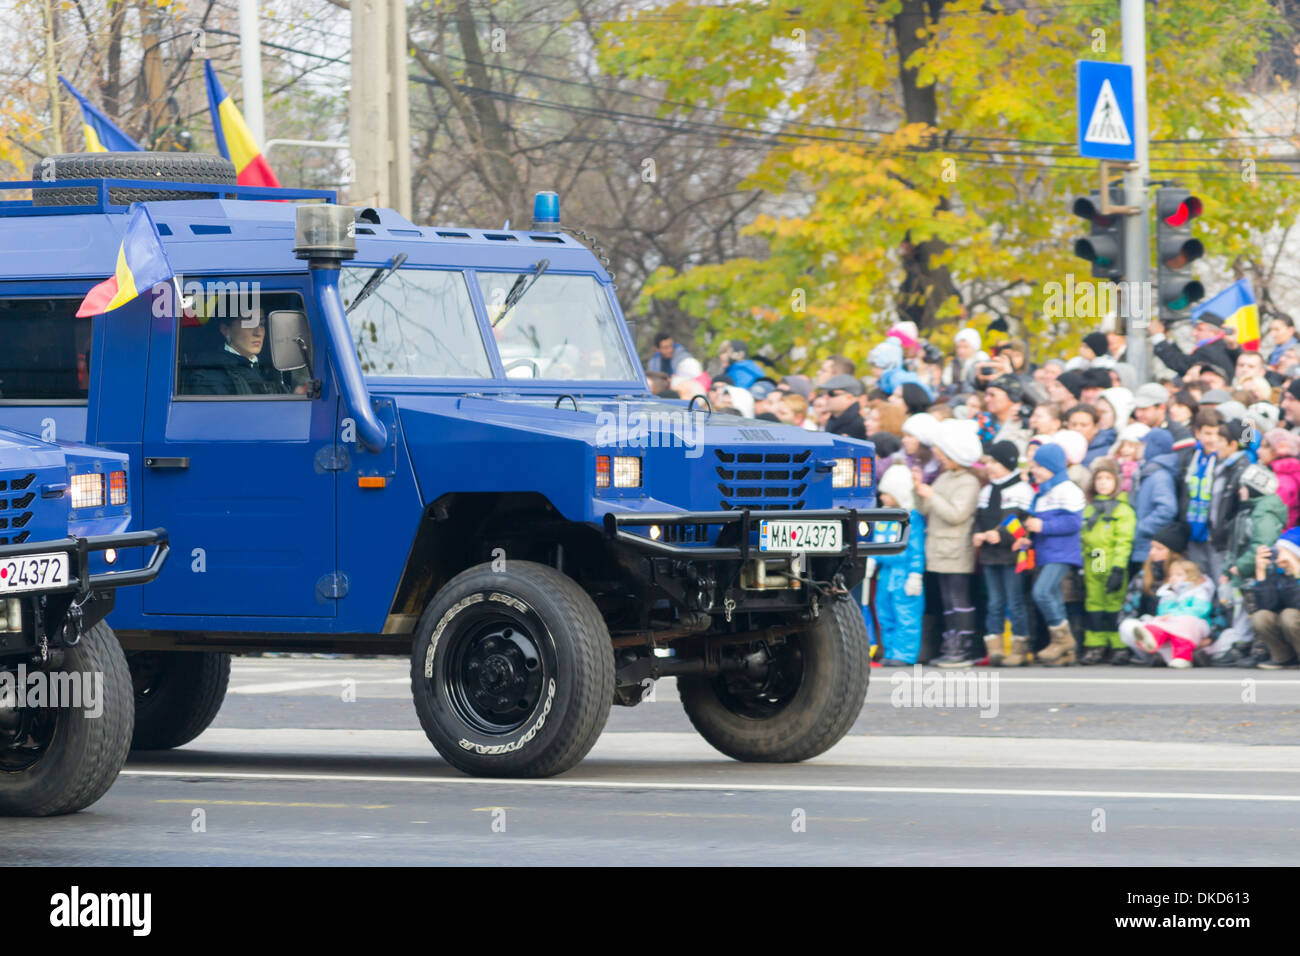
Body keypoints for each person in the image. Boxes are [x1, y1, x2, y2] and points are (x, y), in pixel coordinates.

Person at [914, 419, 982, 667]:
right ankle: (948, 643)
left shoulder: (969, 482)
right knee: (946, 600)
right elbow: (924, 508)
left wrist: (931, 495)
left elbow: (957, 515)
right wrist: (918, 488)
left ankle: (963, 647)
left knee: (958, 599)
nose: (939, 457)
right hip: (938, 549)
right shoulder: (944, 478)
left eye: (943, 453)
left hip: (955, 550)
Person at [1022, 442, 1086, 666]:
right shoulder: (1042, 493)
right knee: (1054, 597)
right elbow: (1032, 522)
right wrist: (1026, 537)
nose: (1034, 470)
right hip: (1044, 552)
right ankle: (1066, 653)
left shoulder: (1068, 490)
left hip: (1062, 553)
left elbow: (1074, 522)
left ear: (1052, 466)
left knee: (1041, 592)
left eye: (1039, 465)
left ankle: (1063, 640)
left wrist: (1043, 526)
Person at [972, 440, 1034, 666]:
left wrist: (1003, 535)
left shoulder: (1021, 489)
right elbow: (980, 519)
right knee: (995, 601)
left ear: (1007, 463)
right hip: (990, 554)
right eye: (989, 462)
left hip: (1013, 554)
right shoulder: (987, 490)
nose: (990, 467)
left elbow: (1020, 521)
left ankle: (1019, 647)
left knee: (1015, 601)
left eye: (995, 462)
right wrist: (978, 534)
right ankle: (995, 647)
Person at [1079, 458, 1136, 664]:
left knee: (1114, 603)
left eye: (1107, 478)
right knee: (1094, 602)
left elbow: (1124, 541)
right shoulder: (1090, 509)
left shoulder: (1122, 510)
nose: (1102, 483)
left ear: (1117, 482)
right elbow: (1085, 538)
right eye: (1099, 478)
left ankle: (1118, 645)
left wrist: (1119, 568)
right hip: (1095, 559)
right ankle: (1096, 644)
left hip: (1112, 561)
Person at [872, 465, 928, 665]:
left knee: (906, 616)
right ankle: (890, 652)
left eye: (887, 493)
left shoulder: (911, 518)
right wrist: (872, 559)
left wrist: (916, 574)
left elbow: (916, 549)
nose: (883, 497)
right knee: (885, 613)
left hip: (904, 574)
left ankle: (904, 655)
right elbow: (877, 542)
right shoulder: (883, 517)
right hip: (885, 574)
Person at [1115, 522, 1189, 665]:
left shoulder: (1189, 575)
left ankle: (1170, 655)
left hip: (1179, 631)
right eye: (1152, 547)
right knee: (1127, 625)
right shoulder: (1143, 576)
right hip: (1151, 629)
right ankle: (1160, 654)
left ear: (1174, 554)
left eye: (1159, 549)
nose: (1152, 553)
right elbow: (1127, 611)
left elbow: (1204, 607)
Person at [1119, 559, 1214, 669]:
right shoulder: (1168, 592)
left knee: (1184, 628)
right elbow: (1162, 609)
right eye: (1171, 575)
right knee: (1158, 625)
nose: (1173, 578)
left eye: (1178, 575)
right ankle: (1150, 639)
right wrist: (1168, 609)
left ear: (1190, 576)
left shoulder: (1198, 591)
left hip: (1192, 623)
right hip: (1171, 622)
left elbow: (1200, 610)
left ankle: (1182, 657)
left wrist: (1176, 615)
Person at [185, 311, 292, 396]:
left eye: (261, 324)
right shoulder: (209, 376)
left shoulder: (268, 369)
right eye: (249, 323)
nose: (258, 332)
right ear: (225, 329)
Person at [1247, 527, 1300, 668]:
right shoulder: (1277, 572)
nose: (1278, 556)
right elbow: (1266, 606)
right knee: (1261, 616)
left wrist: (1297, 573)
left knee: (1289, 615)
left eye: (1283, 551)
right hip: (1287, 625)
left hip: (1292, 619)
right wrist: (1261, 572)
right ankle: (1283, 658)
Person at [1130, 429, 1180, 577]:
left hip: (1148, 548)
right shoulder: (1148, 472)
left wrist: (1141, 527)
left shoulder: (1159, 476)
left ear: (1154, 446)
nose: (1139, 447)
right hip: (1141, 547)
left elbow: (1167, 509)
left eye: (1143, 444)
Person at [1261, 429, 1300, 528]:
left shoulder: (1283, 482)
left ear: (1277, 450)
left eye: (1264, 447)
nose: (1258, 451)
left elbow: (1274, 518)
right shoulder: (1277, 474)